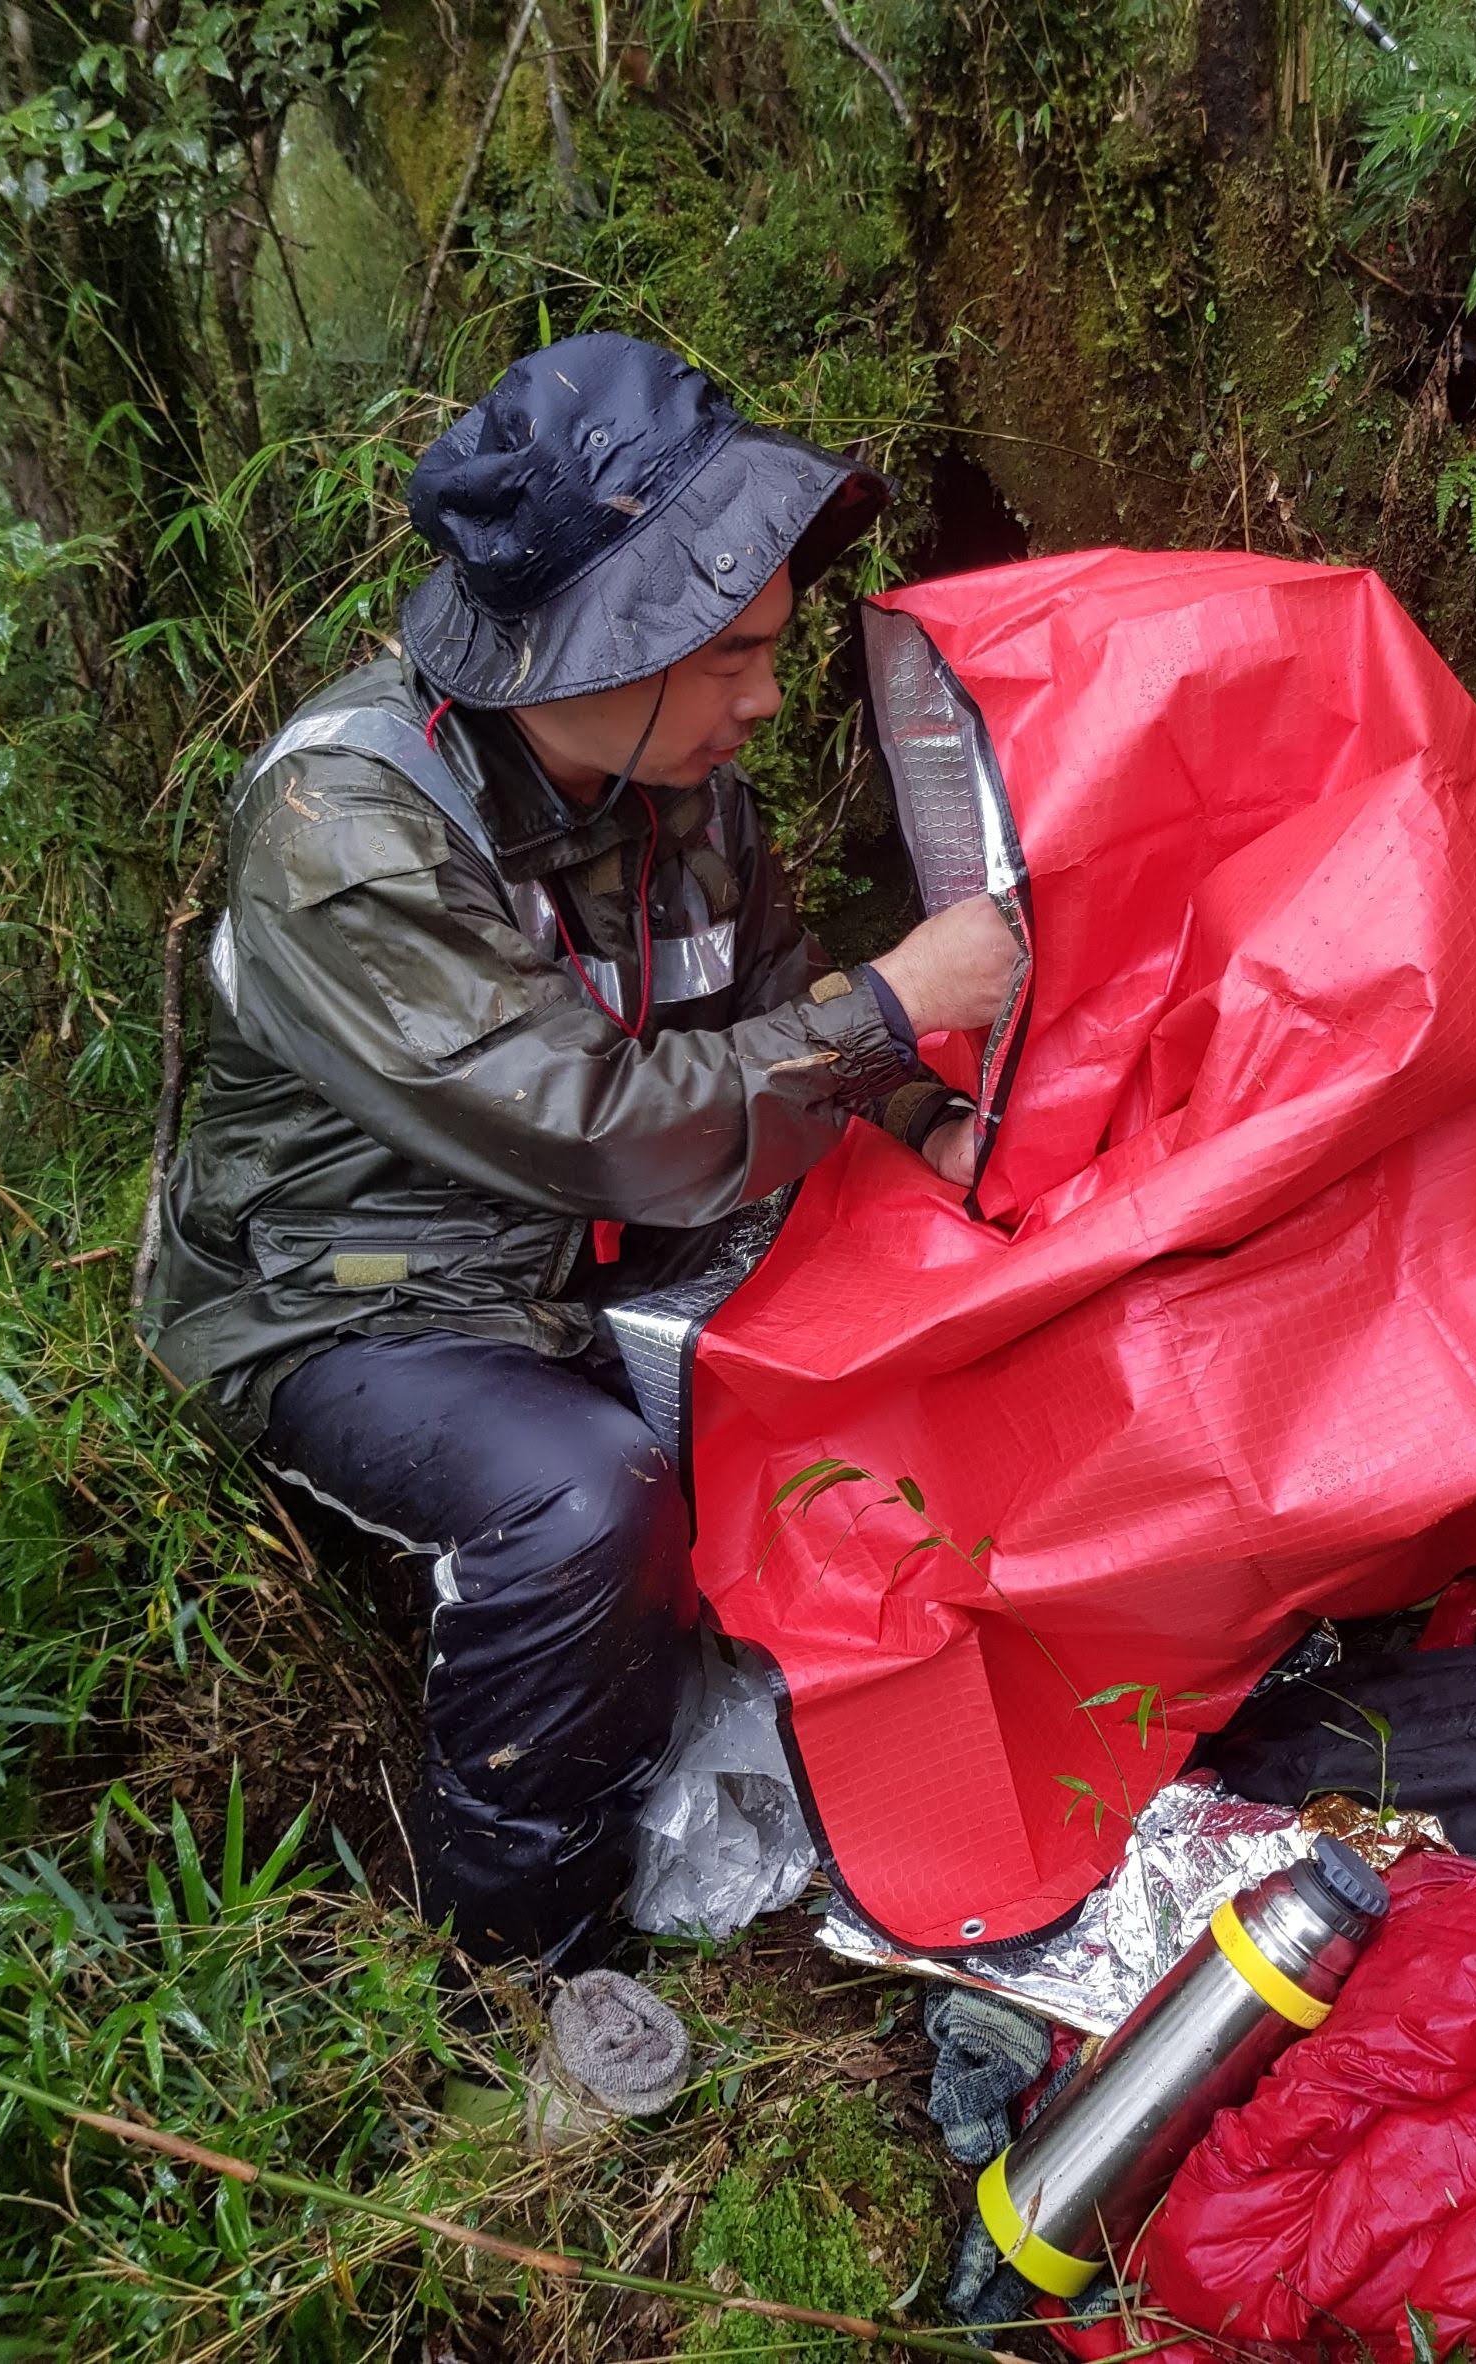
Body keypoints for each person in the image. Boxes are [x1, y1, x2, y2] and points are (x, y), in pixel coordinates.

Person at [146, 332, 1017, 1983]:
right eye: (730, 658)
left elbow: (769, 1013)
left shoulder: (678, 787)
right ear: (583, 656)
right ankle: (516, 1961)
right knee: (578, 1505)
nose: (764, 700)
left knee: (934, 1348)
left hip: (606, 1266)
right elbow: (597, 1125)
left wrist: (923, 1120)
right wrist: (898, 1013)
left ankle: (881, 1788)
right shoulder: (349, 831)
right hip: (357, 1305)